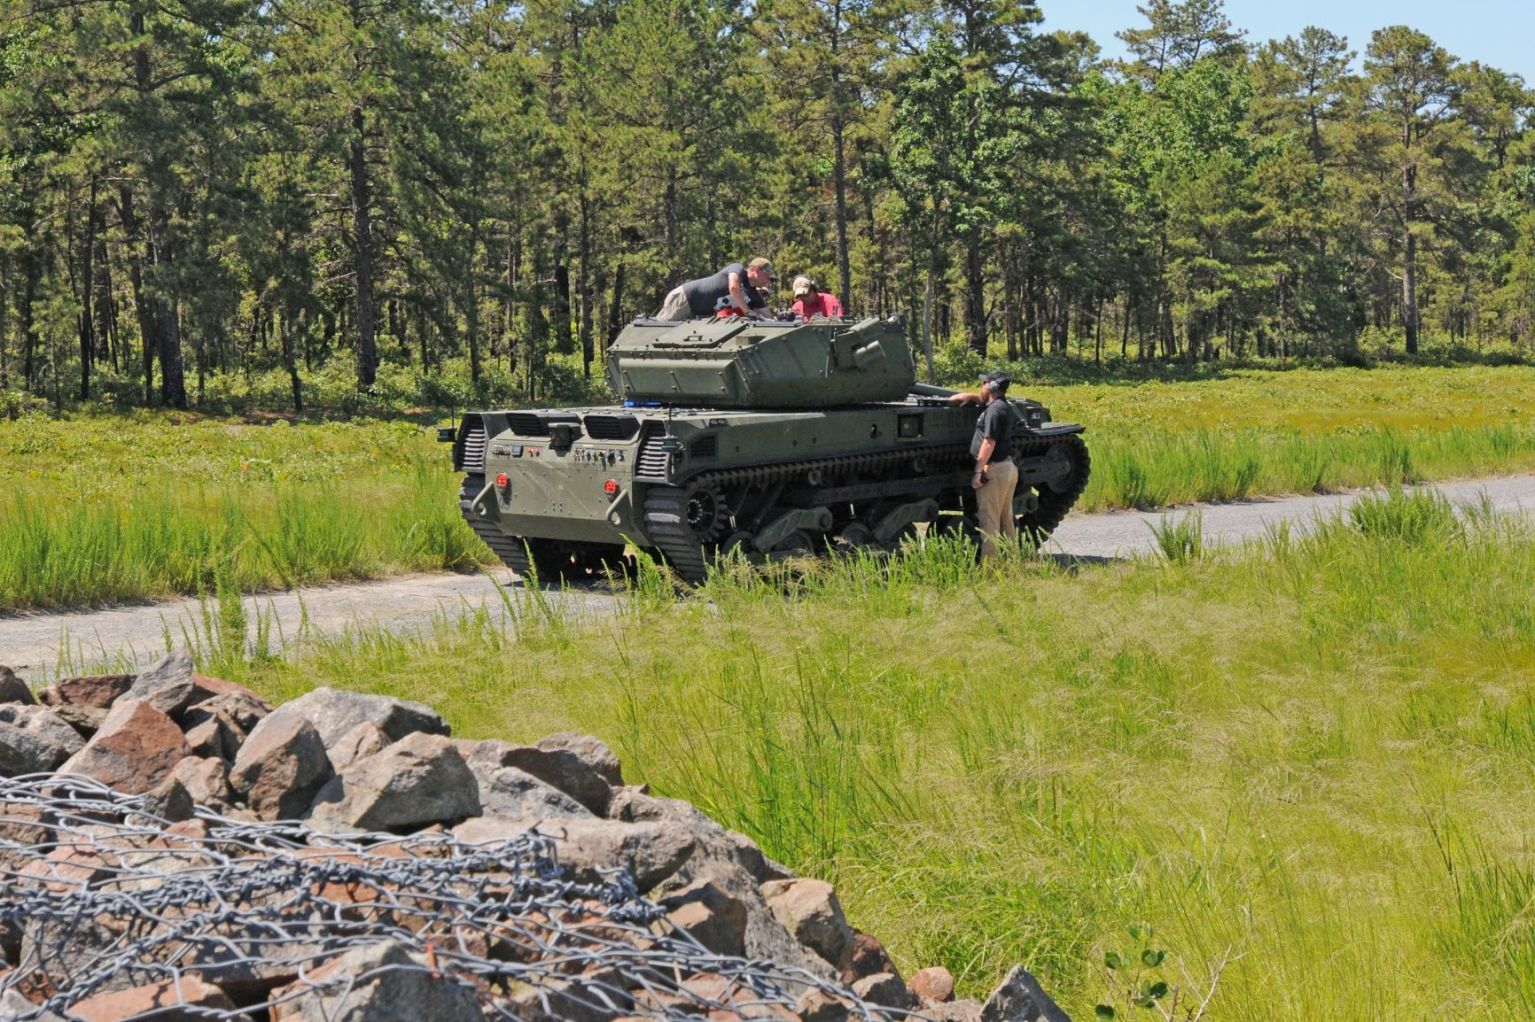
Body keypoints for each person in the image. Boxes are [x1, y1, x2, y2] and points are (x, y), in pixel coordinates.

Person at [948, 370, 1018, 561]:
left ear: (992, 387)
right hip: (1007, 468)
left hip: (993, 470)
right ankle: (1012, 561)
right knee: (1005, 519)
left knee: (989, 521)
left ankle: (991, 566)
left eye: (984, 384)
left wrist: (978, 471)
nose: (981, 386)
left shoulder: (994, 411)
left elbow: (989, 442)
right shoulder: (1003, 407)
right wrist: (972, 397)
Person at [655, 258, 778, 321]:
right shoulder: (738, 269)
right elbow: (733, 287)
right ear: (756, 270)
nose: (768, 281)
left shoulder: (753, 295)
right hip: (685, 299)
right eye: (767, 276)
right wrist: (747, 312)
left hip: (697, 313)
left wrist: (779, 319)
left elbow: (767, 318)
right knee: (659, 331)